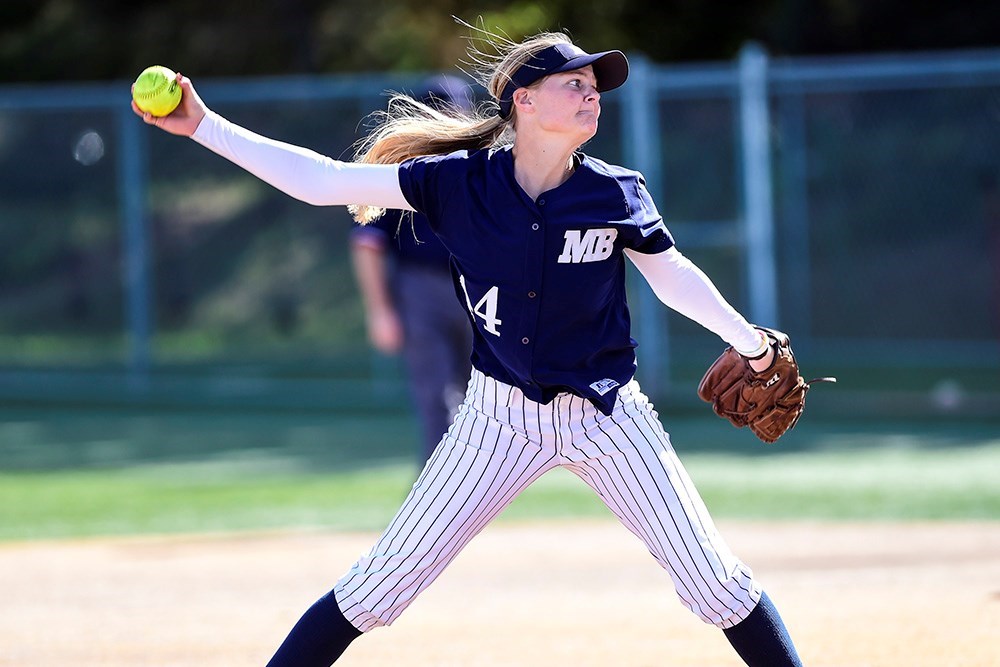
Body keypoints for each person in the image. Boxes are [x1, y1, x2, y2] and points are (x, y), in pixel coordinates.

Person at [134, 25, 805, 667]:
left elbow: (672, 277)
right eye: (574, 82)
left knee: (716, 583)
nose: (592, 92)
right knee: (375, 588)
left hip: (607, 414)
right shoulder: (457, 184)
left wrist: (749, 342)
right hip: (497, 418)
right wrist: (202, 125)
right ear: (525, 100)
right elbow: (321, 182)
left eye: (596, 85)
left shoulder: (614, 191)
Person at [349, 75, 475, 463]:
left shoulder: (482, 167)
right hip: (421, 291)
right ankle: (436, 503)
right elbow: (367, 243)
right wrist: (380, 310)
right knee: (435, 401)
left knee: (491, 406)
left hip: (481, 293)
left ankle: (478, 496)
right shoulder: (399, 170)